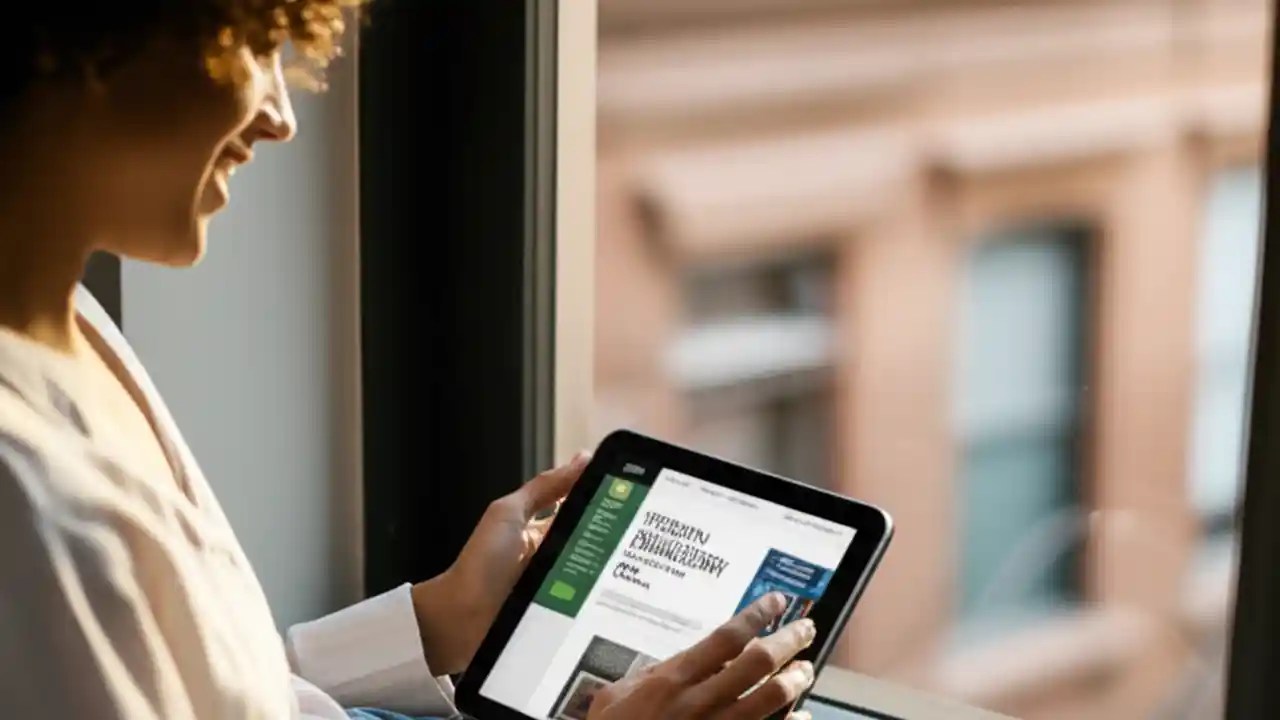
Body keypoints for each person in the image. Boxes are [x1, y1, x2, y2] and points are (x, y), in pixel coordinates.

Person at [0, 3, 819, 718]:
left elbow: (215, 697)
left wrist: (440, 620)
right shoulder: (24, 504)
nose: (279, 114)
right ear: (85, 40)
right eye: (250, 46)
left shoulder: (71, 320)